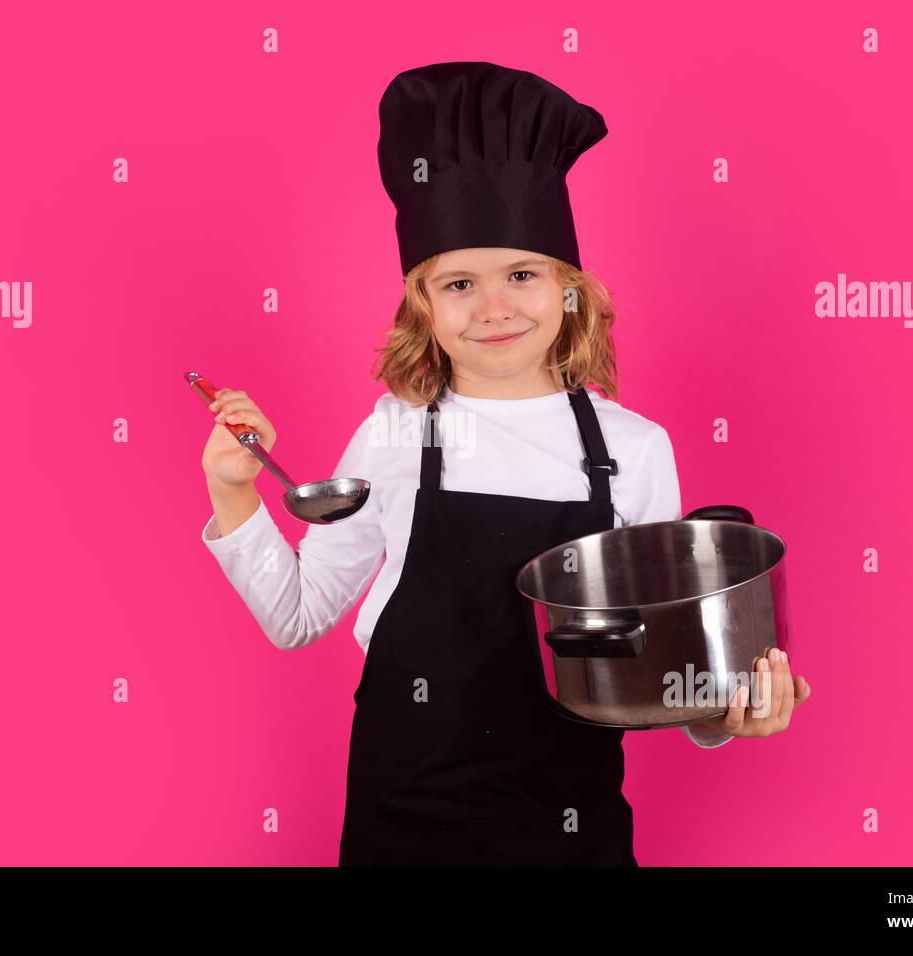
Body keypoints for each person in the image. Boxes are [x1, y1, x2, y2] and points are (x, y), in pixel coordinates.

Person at [200, 61, 810, 866]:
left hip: (568, 829)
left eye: (521, 275)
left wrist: (729, 712)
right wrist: (233, 490)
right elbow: (298, 616)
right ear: (423, 301)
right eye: (459, 283)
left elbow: (670, 676)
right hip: (403, 826)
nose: (493, 308)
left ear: (567, 289)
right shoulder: (394, 434)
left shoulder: (632, 451)